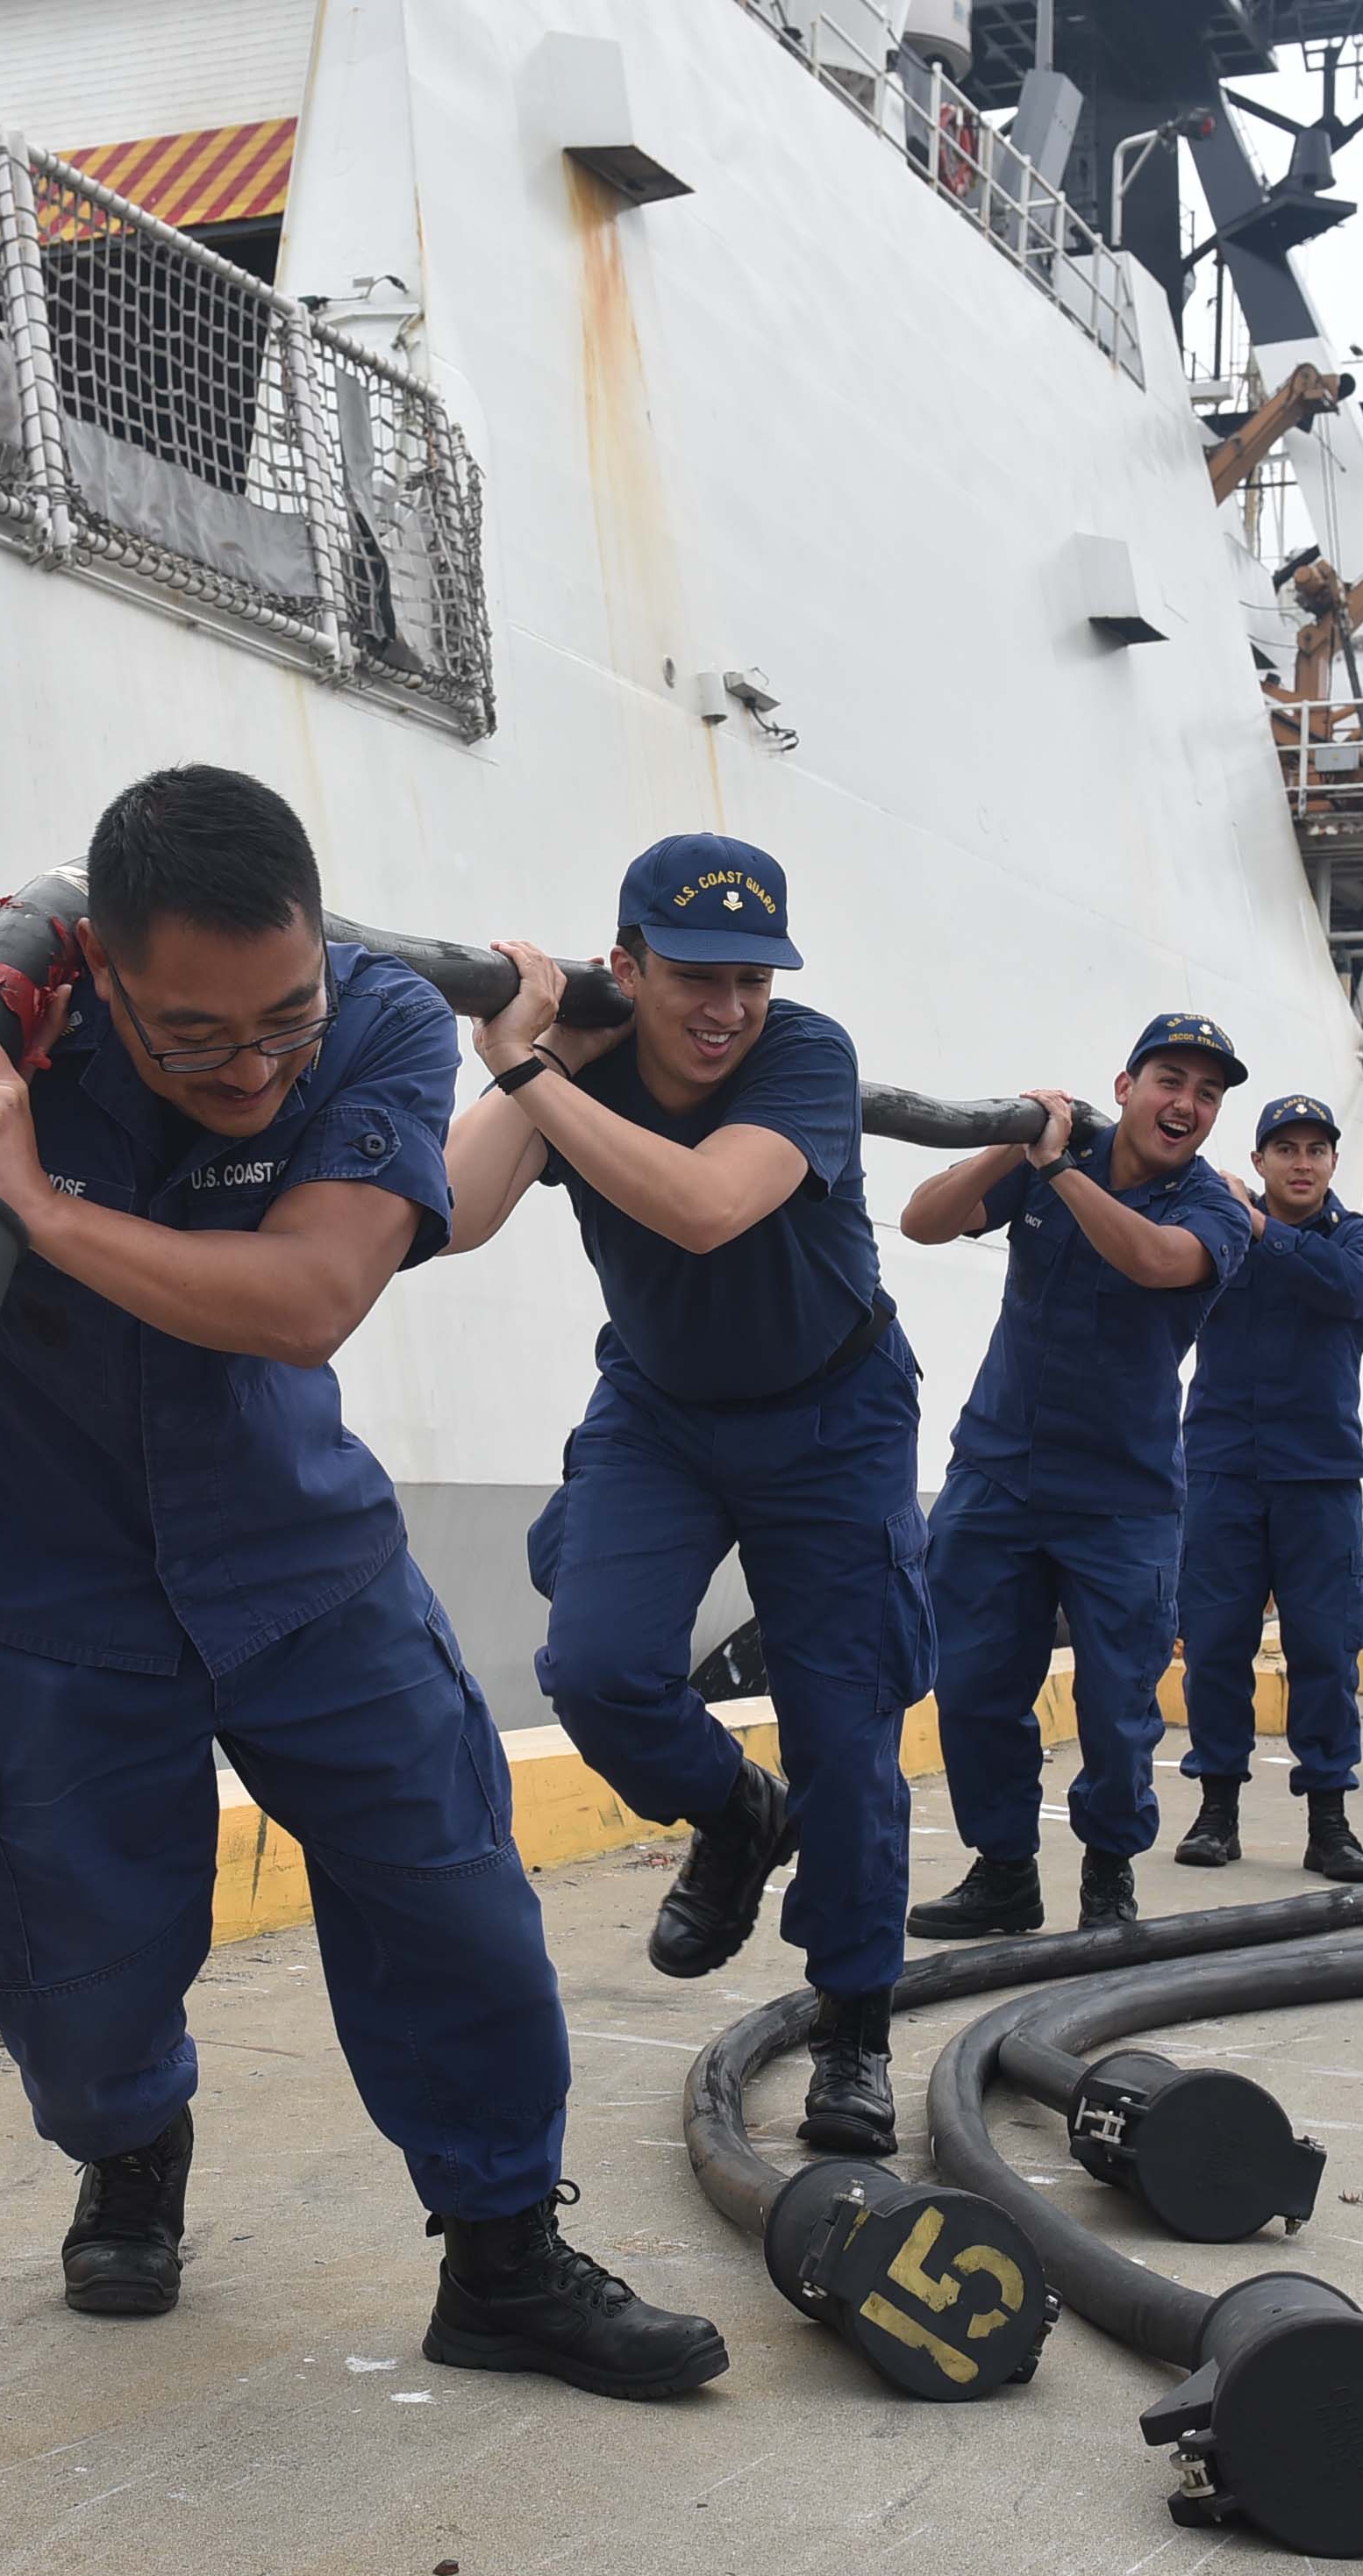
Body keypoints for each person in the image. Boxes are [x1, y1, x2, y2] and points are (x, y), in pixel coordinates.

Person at [0, 764, 719, 2394]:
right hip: (49, 1583)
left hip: (298, 1560)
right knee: (71, 1968)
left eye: (279, 1023)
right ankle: (132, 2145)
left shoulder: (373, 1020)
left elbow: (314, 1292)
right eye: (195, 1037)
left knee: (450, 1900)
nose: (250, 1068)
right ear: (102, 971)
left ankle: (504, 2255)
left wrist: (33, 1205)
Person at [445, 834, 924, 2156]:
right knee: (596, 1667)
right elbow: (453, 1209)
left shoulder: (804, 1056)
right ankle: (731, 1810)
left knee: (845, 1727)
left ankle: (853, 2028)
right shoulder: (576, 1066)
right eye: (697, 978)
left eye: (752, 981)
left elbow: (711, 1207)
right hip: (661, 1410)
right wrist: (530, 1074)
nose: (726, 1011)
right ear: (629, 965)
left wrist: (531, 1070)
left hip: (833, 1418)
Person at [895, 1016, 1252, 1936]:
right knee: (975, 1684)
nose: (1187, 1105)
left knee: (1115, 1703)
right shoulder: (1054, 1154)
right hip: (998, 1472)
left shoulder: (1209, 1207)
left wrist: (1056, 1174)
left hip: (1121, 1498)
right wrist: (1009, 1145)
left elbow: (1152, 1258)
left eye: (1207, 1093)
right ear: (1125, 1085)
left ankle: (1108, 1874)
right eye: (1170, 1080)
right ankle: (1004, 1870)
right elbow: (923, 1220)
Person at [1172, 1095, 1363, 1881]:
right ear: (1260, 1160)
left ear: (1333, 1163)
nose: (1302, 1163)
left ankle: (1329, 1818)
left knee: (1325, 1649)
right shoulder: (1218, 1220)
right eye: (1285, 1149)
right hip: (1223, 1470)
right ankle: (1217, 1809)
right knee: (1214, 1646)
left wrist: (1265, 1230)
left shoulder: (1362, 1238)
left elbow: (1353, 1288)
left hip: (1321, 1476)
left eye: (1316, 1150)